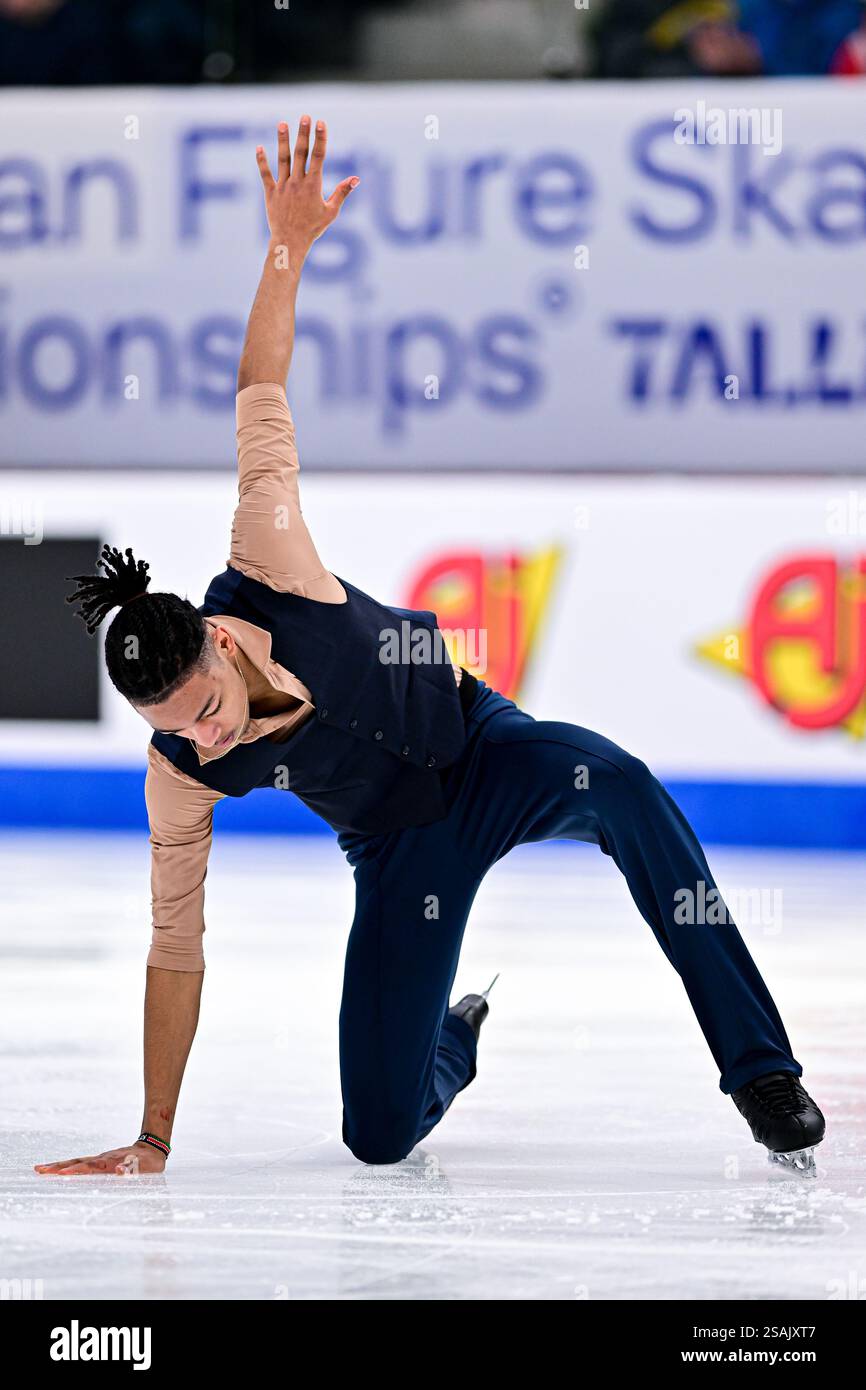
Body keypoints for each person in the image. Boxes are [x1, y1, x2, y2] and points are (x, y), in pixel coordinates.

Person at [35, 117, 824, 1180]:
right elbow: (175, 947)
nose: (204, 737)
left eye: (203, 705)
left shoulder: (266, 555)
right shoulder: (177, 776)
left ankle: (759, 1073)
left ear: (219, 640)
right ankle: (453, 1043)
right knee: (377, 1136)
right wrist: (154, 1137)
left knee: (625, 783)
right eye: (172, 729)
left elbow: (258, 391)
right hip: (401, 853)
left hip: (487, 753)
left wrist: (289, 245)